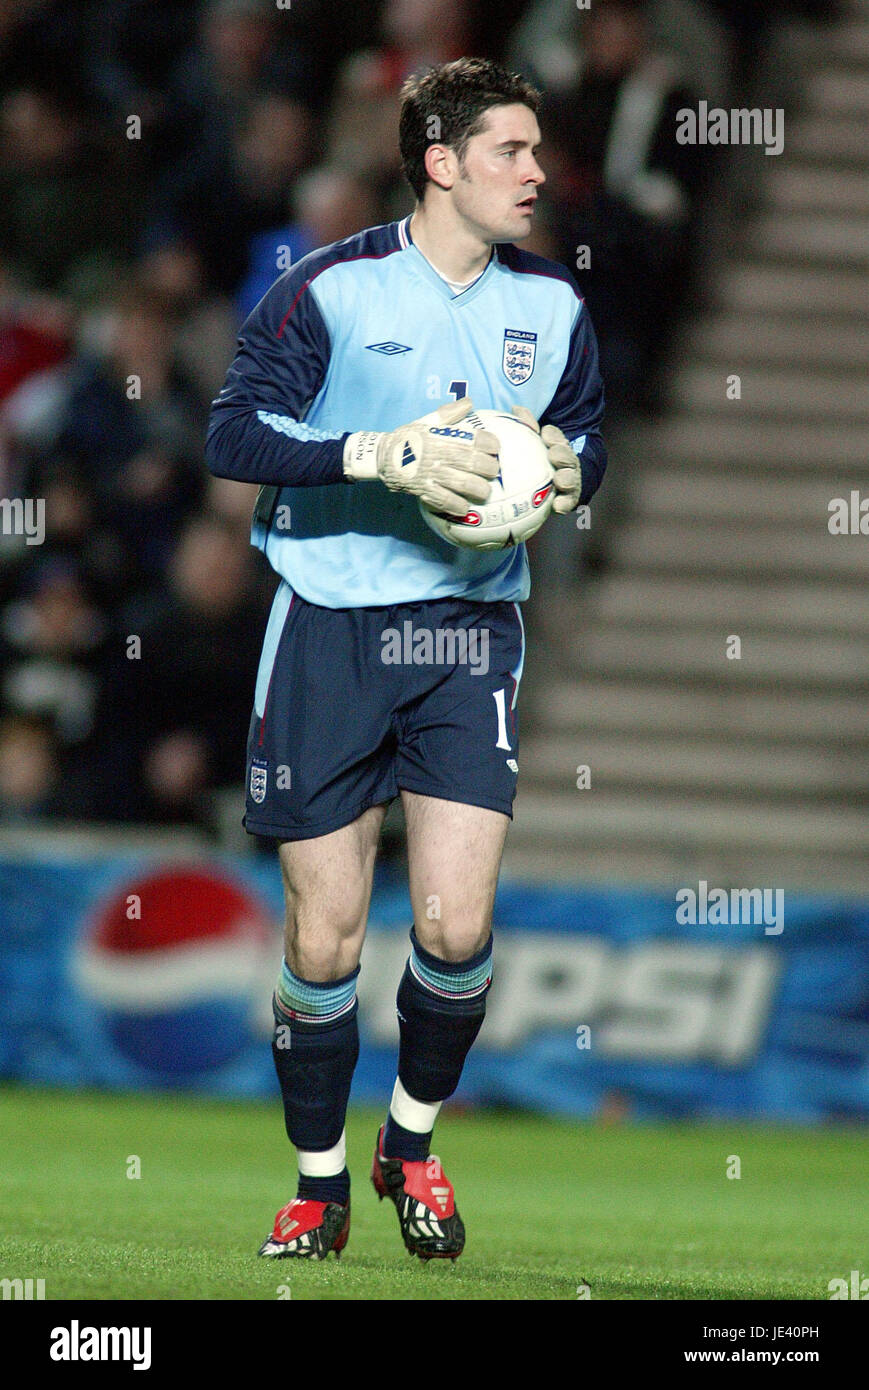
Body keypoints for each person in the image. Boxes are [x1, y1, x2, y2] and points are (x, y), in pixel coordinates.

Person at [206, 57, 606, 1262]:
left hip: (466, 633)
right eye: (509, 152)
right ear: (439, 163)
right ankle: (318, 1185)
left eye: (537, 152)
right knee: (324, 940)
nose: (537, 173)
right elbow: (232, 431)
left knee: (450, 922)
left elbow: (577, 432)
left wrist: (574, 468)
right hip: (329, 624)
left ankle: (412, 1141)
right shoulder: (324, 290)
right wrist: (378, 456)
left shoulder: (556, 309)